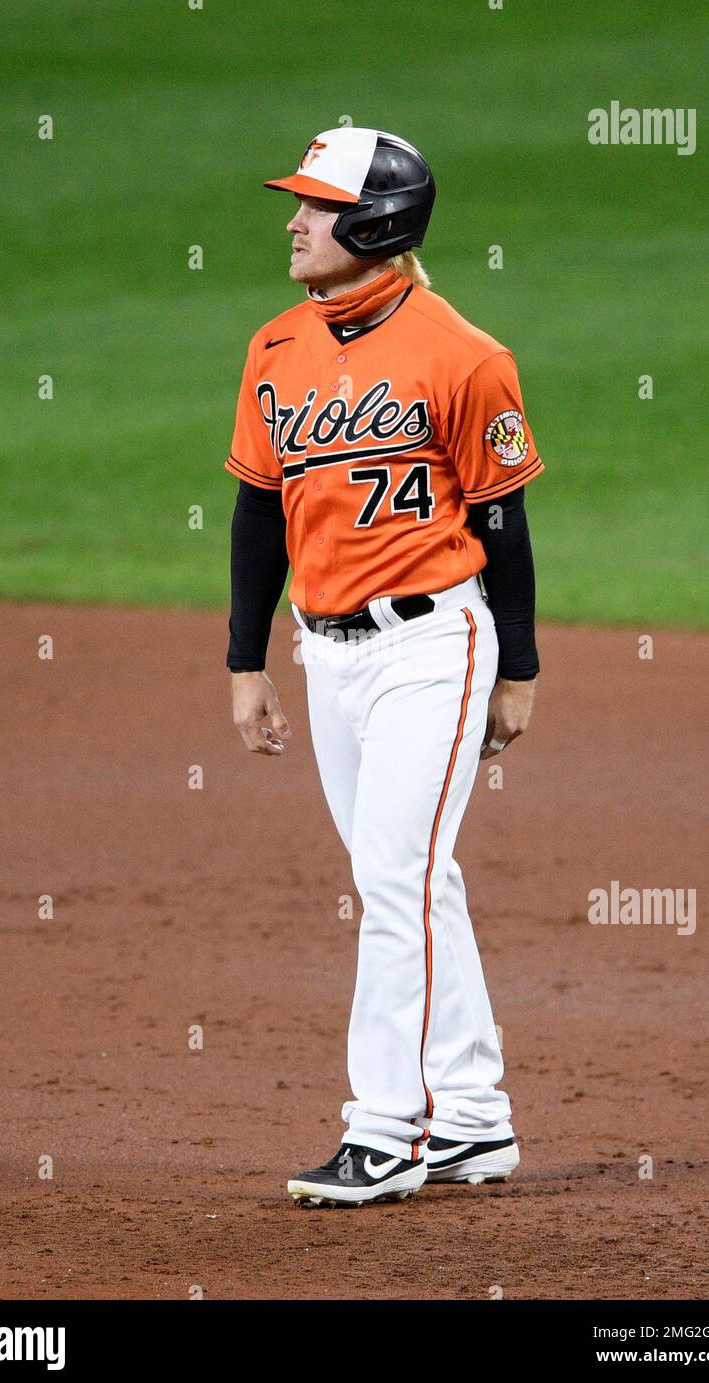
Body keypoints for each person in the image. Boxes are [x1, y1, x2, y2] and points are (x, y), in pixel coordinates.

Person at [225, 127, 543, 1207]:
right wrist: (245, 658)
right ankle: (472, 1119)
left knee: (393, 882)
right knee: (411, 876)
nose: (294, 222)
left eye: (314, 207)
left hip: (434, 645)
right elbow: (259, 508)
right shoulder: (276, 348)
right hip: (329, 659)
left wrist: (520, 668)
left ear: (375, 224)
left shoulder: (462, 353)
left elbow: (502, 520)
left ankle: (385, 1132)